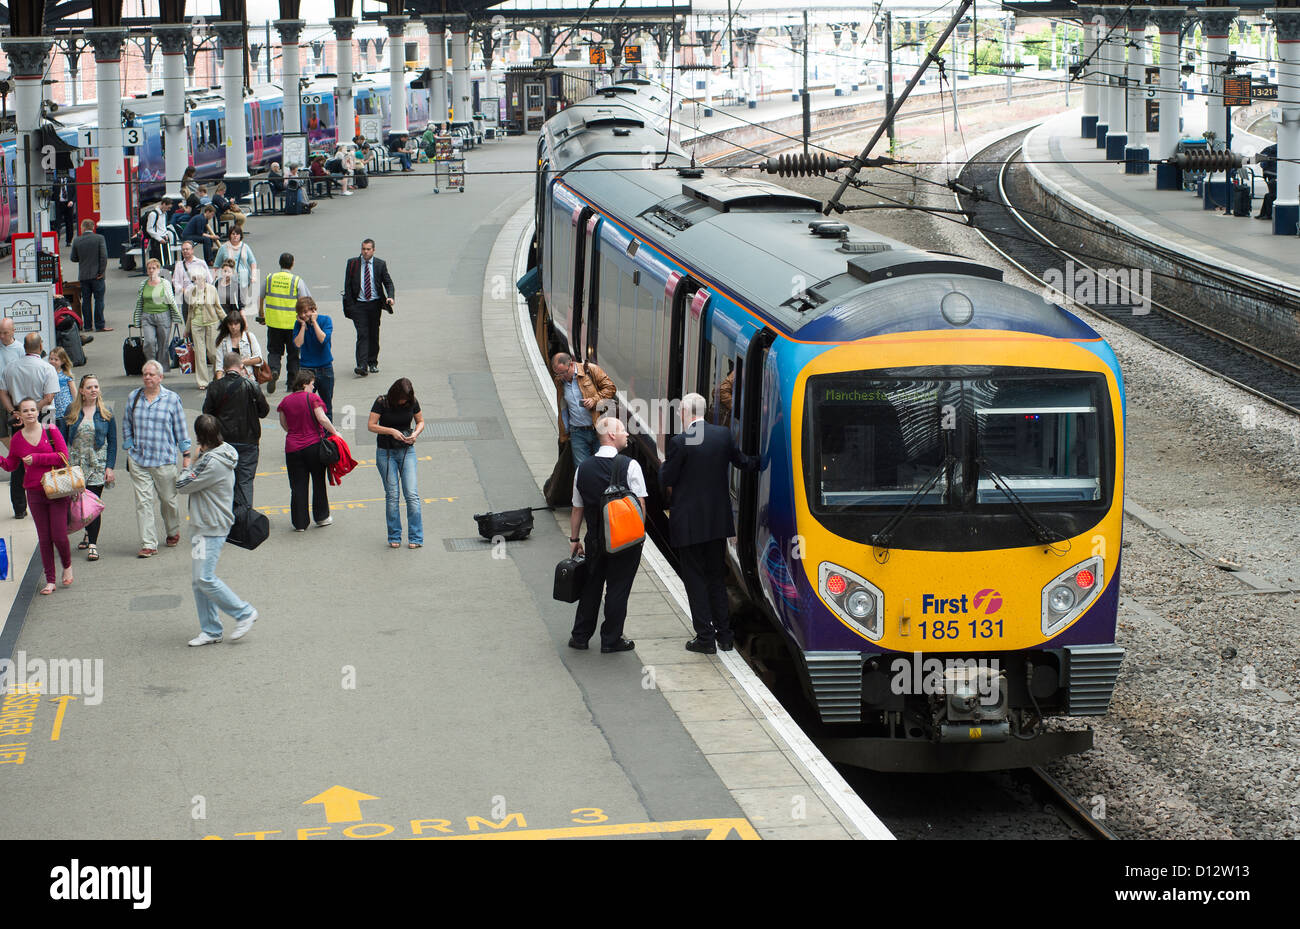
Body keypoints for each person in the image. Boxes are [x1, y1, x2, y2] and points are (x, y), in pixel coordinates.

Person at [659, 392, 760, 653]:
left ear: (685, 412)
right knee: (716, 578)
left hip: (689, 525)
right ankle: (724, 637)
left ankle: (705, 638)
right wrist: (763, 461)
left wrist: (666, 466)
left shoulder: (681, 442)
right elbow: (744, 462)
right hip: (717, 523)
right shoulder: (722, 435)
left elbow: (666, 478)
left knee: (695, 580)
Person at [177, 414, 258, 647]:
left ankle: (244, 613)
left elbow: (182, 485)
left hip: (211, 526)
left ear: (200, 437)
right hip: (205, 524)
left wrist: (189, 463)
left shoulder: (210, 462)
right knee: (198, 581)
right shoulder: (224, 452)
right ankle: (211, 630)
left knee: (205, 577)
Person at [567, 417, 643, 654]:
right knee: (618, 589)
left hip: (595, 541)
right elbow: (640, 506)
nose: (626, 434)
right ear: (611, 435)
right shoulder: (630, 466)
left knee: (591, 587)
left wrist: (574, 539)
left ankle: (580, 637)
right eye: (622, 430)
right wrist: (639, 536)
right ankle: (611, 640)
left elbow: (577, 508)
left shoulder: (583, 468)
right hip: (624, 541)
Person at [0, 398, 74, 594]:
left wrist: (37, 459)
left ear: (37, 412)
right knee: (44, 538)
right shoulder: (17, 439)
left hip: (57, 490)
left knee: (58, 535)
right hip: (34, 493)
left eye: (33, 409)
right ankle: (50, 580)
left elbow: (63, 456)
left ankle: (67, 565)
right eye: (26, 411)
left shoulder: (50, 431)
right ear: (19, 415)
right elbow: (11, 465)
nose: (31, 413)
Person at [122, 360, 192, 557]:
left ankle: (172, 530)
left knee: (168, 500)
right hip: (139, 459)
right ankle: (148, 543)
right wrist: (128, 445)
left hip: (164, 460)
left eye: (152, 374)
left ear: (160, 377)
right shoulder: (133, 397)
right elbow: (126, 422)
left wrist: (186, 455)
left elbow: (180, 428)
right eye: (145, 374)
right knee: (143, 503)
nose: (147, 377)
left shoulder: (171, 399)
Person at [0, 332, 58, 521]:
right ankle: (52, 495)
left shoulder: (9, 368)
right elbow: (49, 397)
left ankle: (19, 507)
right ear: (40, 346)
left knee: (17, 460)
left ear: (24, 347)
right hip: (45, 416)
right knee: (49, 457)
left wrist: (15, 412)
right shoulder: (46, 368)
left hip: (19, 417)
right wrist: (33, 411)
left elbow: (3, 393)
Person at [202, 351, 268, 513]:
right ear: (241, 366)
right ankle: (244, 518)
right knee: (245, 481)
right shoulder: (251, 386)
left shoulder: (215, 387)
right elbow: (264, 411)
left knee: (223, 481)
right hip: (248, 440)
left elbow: (207, 414)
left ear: (224, 368)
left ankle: (225, 516)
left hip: (222, 442)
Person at [60, 374, 116, 562]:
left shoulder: (106, 412)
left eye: (96, 387)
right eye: (90, 387)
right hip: (76, 465)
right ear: (82, 391)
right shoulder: (72, 410)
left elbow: (113, 442)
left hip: (97, 465)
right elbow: (61, 437)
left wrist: (109, 467)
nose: (94, 390)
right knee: (78, 503)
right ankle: (87, 532)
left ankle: (93, 544)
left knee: (92, 505)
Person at [277, 370, 339, 531]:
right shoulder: (312, 398)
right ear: (305, 384)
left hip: (292, 447)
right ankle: (321, 516)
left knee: (297, 485)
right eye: (312, 384)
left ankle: (299, 522)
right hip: (313, 446)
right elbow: (322, 418)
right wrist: (334, 432)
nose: (313, 387)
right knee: (318, 482)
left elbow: (284, 424)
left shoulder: (285, 401)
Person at [368, 377, 425, 548]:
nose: (403, 402)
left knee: (411, 494)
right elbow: (371, 425)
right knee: (392, 496)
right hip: (386, 452)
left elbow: (420, 421)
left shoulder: (412, 401)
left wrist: (415, 434)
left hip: (407, 450)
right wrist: (391, 431)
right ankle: (394, 535)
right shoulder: (382, 402)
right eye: (401, 399)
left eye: (405, 400)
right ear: (394, 394)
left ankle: (415, 537)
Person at [551, 352, 616, 470]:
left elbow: (610, 388)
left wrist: (595, 399)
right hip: (577, 432)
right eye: (558, 374)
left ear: (571, 364)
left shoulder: (591, 370)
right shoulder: (559, 381)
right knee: (581, 470)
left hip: (598, 429)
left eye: (564, 372)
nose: (562, 376)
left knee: (601, 467)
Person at [342, 238, 395, 377]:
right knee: (362, 334)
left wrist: (390, 296)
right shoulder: (352, 263)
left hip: (374, 304)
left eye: (368, 249)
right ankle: (361, 365)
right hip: (358, 305)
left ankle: (373, 362)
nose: (365, 252)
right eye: (363, 249)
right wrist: (351, 306)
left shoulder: (380, 264)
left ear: (373, 250)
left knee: (373, 334)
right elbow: (347, 285)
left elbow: (388, 283)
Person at [258, 252, 310, 393]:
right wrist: (306, 318)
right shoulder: (296, 280)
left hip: (274, 323)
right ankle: (292, 384)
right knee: (293, 355)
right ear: (292, 264)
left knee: (274, 351)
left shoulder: (270, 278)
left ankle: (274, 370)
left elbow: (261, 296)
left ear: (279, 263)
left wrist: (261, 314)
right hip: (292, 324)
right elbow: (305, 299)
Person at [131, 258, 183, 368]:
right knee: (149, 343)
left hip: (163, 316)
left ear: (158, 270)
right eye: (149, 268)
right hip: (147, 316)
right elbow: (139, 302)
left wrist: (176, 317)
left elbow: (172, 300)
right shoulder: (143, 284)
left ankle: (161, 369)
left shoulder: (165, 283)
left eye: (154, 268)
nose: (151, 270)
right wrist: (137, 318)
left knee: (163, 345)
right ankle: (151, 366)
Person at [293, 296, 335, 422]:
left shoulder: (325, 320)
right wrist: (302, 326)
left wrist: (314, 322)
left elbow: (323, 339)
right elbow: (298, 344)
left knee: (326, 404)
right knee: (305, 404)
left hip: (324, 368)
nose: (304, 315)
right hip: (306, 369)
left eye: (307, 312)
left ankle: (328, 436)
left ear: (314, 310)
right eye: (301, 313)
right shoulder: (298, 324)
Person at [185, 265, 225, 390]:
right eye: (194, 279)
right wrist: (186, 330)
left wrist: (228, 321)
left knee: (213, 353)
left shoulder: (212, 289)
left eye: (198, 278)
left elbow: (218, 307)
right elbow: (190, 312)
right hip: (196, 324)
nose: (196, 281)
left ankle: (217, 375)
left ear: (204, 277)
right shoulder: (191, 291)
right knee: (200, 354)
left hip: (212, 323)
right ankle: (203, 381)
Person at [70, 219, 109, 332]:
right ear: (93, 227)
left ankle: (87, 326)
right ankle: (100, 325)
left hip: (83, 276)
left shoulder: (77, 240)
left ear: (83, 227)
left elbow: (73, 258)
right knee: (99, 300)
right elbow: (104, 257)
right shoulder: (99, 238)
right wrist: (101, 272)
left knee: (86, 301)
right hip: (97, 276)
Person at [213, 227, 258, 316]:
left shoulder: (245, 247)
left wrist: (254, 275)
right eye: (233, 234)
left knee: (241, 305)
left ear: (240, 235)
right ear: (229, 235)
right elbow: (216, 265)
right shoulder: (223, 248)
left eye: (237, 234)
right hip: (228, 281)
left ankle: (239, 322)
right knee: (229, 304)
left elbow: (252, 262)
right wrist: (213, 278)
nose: (235, 236)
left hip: (243, 281)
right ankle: (232, 320)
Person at [216, 309, 265, 378]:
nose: (233, 327)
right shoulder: (223, 341)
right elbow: (219, 366)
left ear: (241, 324)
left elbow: (259, 358)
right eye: (230, 324)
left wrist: (239, 362)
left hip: (248, 377)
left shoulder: (249, 337)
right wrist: (219, 383)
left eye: (236, 324)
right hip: (228, 378)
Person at [171, 239, 211, 318]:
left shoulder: (201, 263)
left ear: (192, 250)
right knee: (188, 324)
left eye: (187, 249)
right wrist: (183, 290)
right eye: (183, 249)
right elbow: (176, 282)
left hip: (200, 297)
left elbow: (209, 280)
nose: (185, 251)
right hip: (187, 298)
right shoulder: (179, 265)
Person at [48, 348, 75, 419]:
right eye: (51, 359)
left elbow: (73, 391)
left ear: (62, 361)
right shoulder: (47, 373)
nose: (52, 361)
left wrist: (76, 405)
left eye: (56, 359)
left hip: (65, 406)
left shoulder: (66, 373)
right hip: (53, 407)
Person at [144, 198, 171, 266]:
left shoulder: (165, 214)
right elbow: (149, 229)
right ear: (164, 204)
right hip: (157, 241)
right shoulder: (153, 214)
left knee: (165, 259)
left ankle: (163, 273)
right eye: (168, 207)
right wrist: (159, 238)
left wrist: (166, 235)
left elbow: (163, 226)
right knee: (157, 261)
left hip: (164, 238)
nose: (169, 209)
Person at [1256, 143, 1278, 221]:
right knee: (1271, 194)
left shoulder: (1269, 148)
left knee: (1270, 194)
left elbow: (1261, 161)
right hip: (1277, 175)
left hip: (1269, 174)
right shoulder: (1287, 149)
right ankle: (1266, 214)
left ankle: (1265, 214)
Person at [54, 171, 77, 247]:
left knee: (69, 223)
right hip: (59, 203)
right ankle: (57, 240)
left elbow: (75, 192)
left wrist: (72, 201)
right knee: (58, 223)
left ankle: (69, 241)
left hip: (68, 203)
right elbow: (54, 193)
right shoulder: (56, 181)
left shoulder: (72, 180)